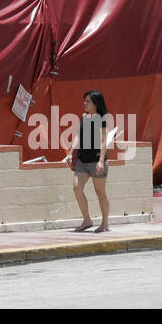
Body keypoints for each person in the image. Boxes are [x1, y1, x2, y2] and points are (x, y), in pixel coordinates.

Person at [65, 90, 111, 233]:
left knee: (100, 192)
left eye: (88, 101)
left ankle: (105, 223)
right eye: (84, 100)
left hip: (96, 160)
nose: (84, 103)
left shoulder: (102, 119)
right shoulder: (84, 117)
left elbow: (104, 141)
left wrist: (101, 161)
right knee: (77, 188)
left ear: (96, 103)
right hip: (82, 160)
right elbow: (78, 136)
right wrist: (70, 153)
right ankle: (87, 220)